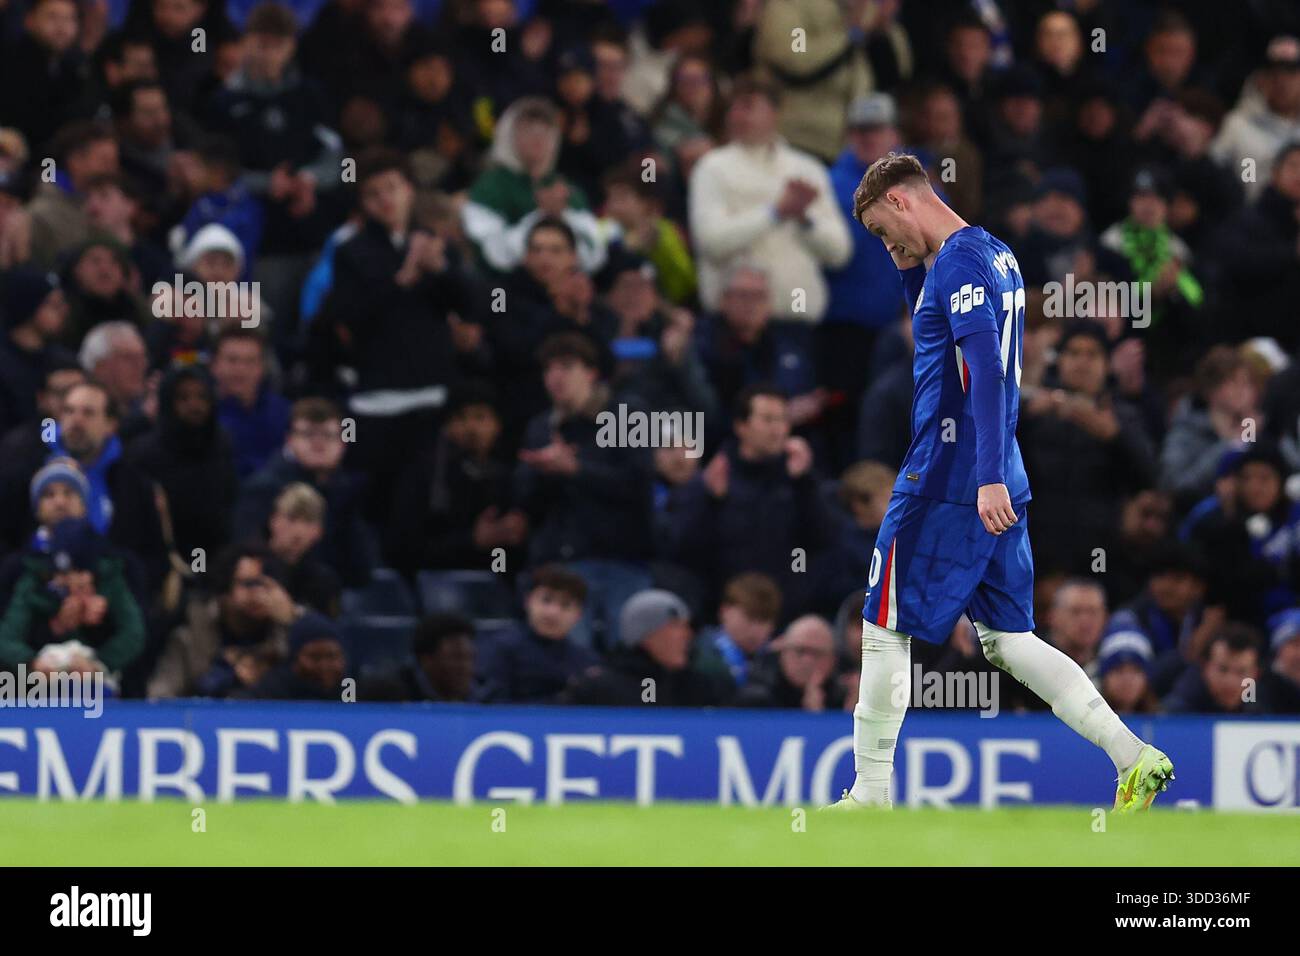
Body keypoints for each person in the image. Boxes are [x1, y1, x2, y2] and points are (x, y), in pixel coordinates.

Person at [828, 152, 1172, 813]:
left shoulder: (955, 263)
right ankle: (1135, 758)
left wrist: (983, 478)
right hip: (998, 469)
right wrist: (907, 275)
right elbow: (940, 340)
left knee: (883, 624)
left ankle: (870, 793)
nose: (885, 244)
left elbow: (982, 367)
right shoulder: (993, 253)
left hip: (952, 473)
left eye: (880, 230)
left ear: (901, 202)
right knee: (1007, 640)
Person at [0, 515, 145, 683]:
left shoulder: (111, 578)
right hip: (38, 689)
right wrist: (32, 661)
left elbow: (134, 633)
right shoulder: (34, 579)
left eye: (76, 572)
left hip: (102, 689)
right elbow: (7, 638)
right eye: (62, 573)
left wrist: (99, 663)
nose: (68, 580)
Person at [147, 543, 298, 699]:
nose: (259, 593)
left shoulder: (294, 630)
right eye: (249, 584)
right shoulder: (190, 636)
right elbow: (159, 698)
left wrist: (288, 625)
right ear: (224, 589)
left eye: (267, 585)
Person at [560, 588, 729, 706]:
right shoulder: (599, 688)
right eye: (675, 626)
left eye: (686, 626)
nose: (687, 635)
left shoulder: (700, 687)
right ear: (646, 635)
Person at [475, 564, 596, 703]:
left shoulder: (587, 661)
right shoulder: (500, 649)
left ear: (578, 615)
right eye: (546, 600)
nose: (553, 612)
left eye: (565, 604)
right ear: (528, 601)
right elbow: (491, 707)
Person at [361, 612, 485, 703]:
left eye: (470, 658)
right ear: (426, 660)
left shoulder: (486, 696)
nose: (465, 667)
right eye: (456, 658)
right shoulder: (390, 696)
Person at [691, 571, 781, 689]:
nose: (756, 629)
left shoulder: (778, 659)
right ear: (725, 611)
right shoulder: (696, 652)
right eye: (750, 617)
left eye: (764, 620)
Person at [735, 614, 844, 710]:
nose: (807, 661)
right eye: (800, 651)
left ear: (833, 659)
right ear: (783, 653)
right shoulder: (757, 697)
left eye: (817, 653)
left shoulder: (844, 696)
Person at [233, 610, 347, 701]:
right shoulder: (273, 689)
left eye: (332, 656)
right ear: (295, 657)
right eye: (315, 657)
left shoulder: (351, 687)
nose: (324, 666)